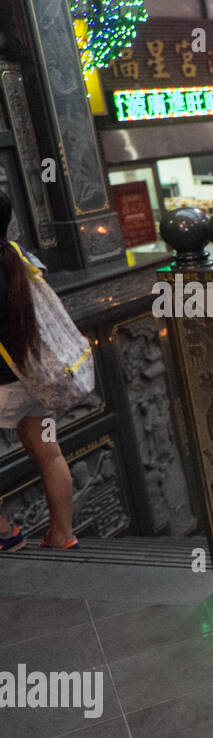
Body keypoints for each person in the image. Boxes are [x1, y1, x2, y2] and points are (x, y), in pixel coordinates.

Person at [0, 193, 78, 551]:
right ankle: (63, 535)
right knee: (49, 451)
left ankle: (5, 533)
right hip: (38, 380)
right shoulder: (19, 256)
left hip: (5, 386)